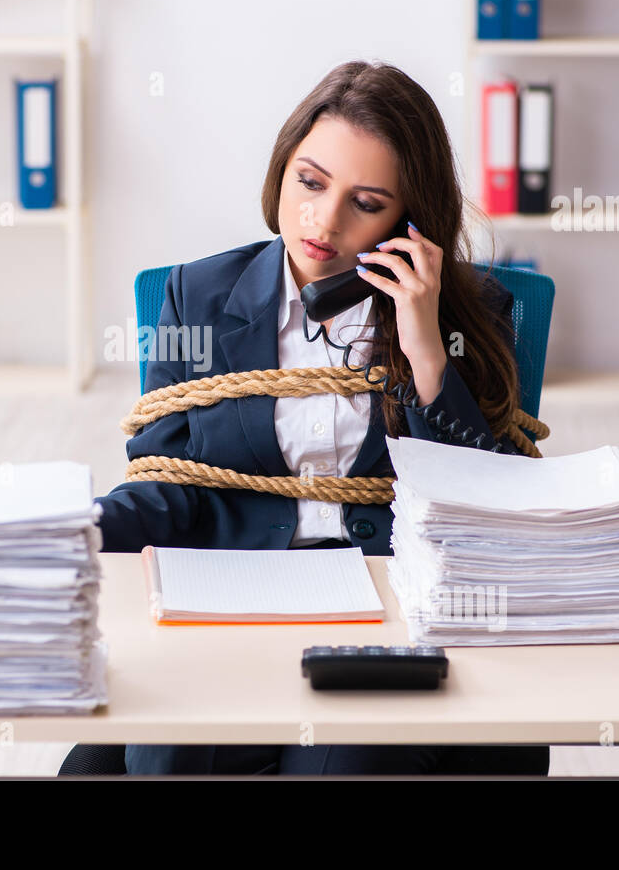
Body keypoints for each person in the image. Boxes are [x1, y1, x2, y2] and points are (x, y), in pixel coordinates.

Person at [92, 60, 549, 777]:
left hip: (388, 607)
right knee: (164, 753)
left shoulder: (473, 314)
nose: (324, 221)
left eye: (365, 201)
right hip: (237, 595)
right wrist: (71, 528)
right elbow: (169, 480)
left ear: (408, 218)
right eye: (310, 183)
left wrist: (425, 344)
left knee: (342, 764)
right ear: (282, 171)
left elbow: (485, 511)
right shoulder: (196, 298)